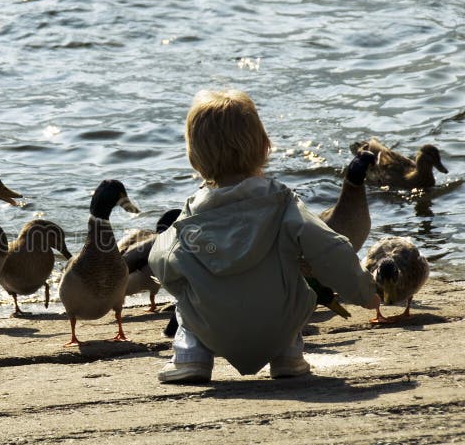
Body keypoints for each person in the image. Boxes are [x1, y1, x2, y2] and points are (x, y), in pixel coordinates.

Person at [148, 89, 380, 382]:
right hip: (278, 326)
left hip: (213, 327)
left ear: (194, 157)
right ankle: (288, 356)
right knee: (301, 286)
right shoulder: (283, 205)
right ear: (265, 147)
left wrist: (188, 286)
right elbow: (331, 249)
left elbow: (160, 260)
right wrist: (364, 292)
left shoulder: (192, 215)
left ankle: (191, 356)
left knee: (186, 299)